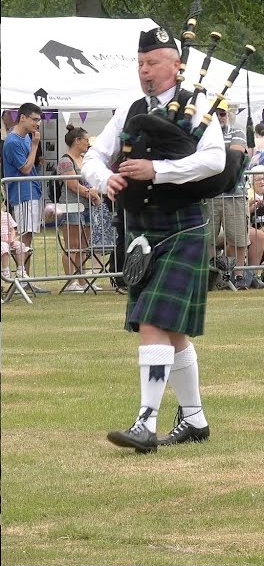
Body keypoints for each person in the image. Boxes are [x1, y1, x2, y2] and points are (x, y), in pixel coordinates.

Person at [82, 26, 225, 452]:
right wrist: (104, 177)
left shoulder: (199, 107)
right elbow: (92, 155)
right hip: (143, 229)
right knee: (173, 332)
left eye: (152, 63)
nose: (145, 71)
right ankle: (195, 419)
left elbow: (215, 160)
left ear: (176, 66)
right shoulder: (129, 108)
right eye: (140, 64)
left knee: (153, 321)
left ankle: (146, 423)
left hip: (184, 224)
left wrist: (158, 171)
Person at [208, 99, 263, 289]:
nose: (218, 117)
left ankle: (239, 276)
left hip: (234, 193)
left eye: (222, 113)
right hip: (208, 194)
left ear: (228, 115)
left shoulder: (237, 131)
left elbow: (236, 155)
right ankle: (213, 275)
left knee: (238, 237)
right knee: (208, 238)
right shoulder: (203, 134)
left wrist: (210, 156)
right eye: (214, 113)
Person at [3, 102, 46, 292]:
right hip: (22, 192)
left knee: (28, 235)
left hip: (30, 190)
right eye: (35, 119)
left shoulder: (25, 137)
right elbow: (26, 168)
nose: (37, 123)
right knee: (23, 236)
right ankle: (22, 277)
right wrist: (35, 145)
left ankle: (24, 277)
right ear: (23, 118)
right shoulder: (13, 141)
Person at [56, 125, 101, 292]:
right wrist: (91, 192)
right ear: (77, 141)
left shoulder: (84, 159)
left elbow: (93, 179)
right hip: (71, 206)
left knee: (83, 246)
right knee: (72, 245)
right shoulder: (65, 160)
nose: (88, 144)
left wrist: (95, 191)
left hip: (87, 206)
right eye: (86, 140)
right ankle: (70, 281)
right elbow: (73, 185)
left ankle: (83, 281)